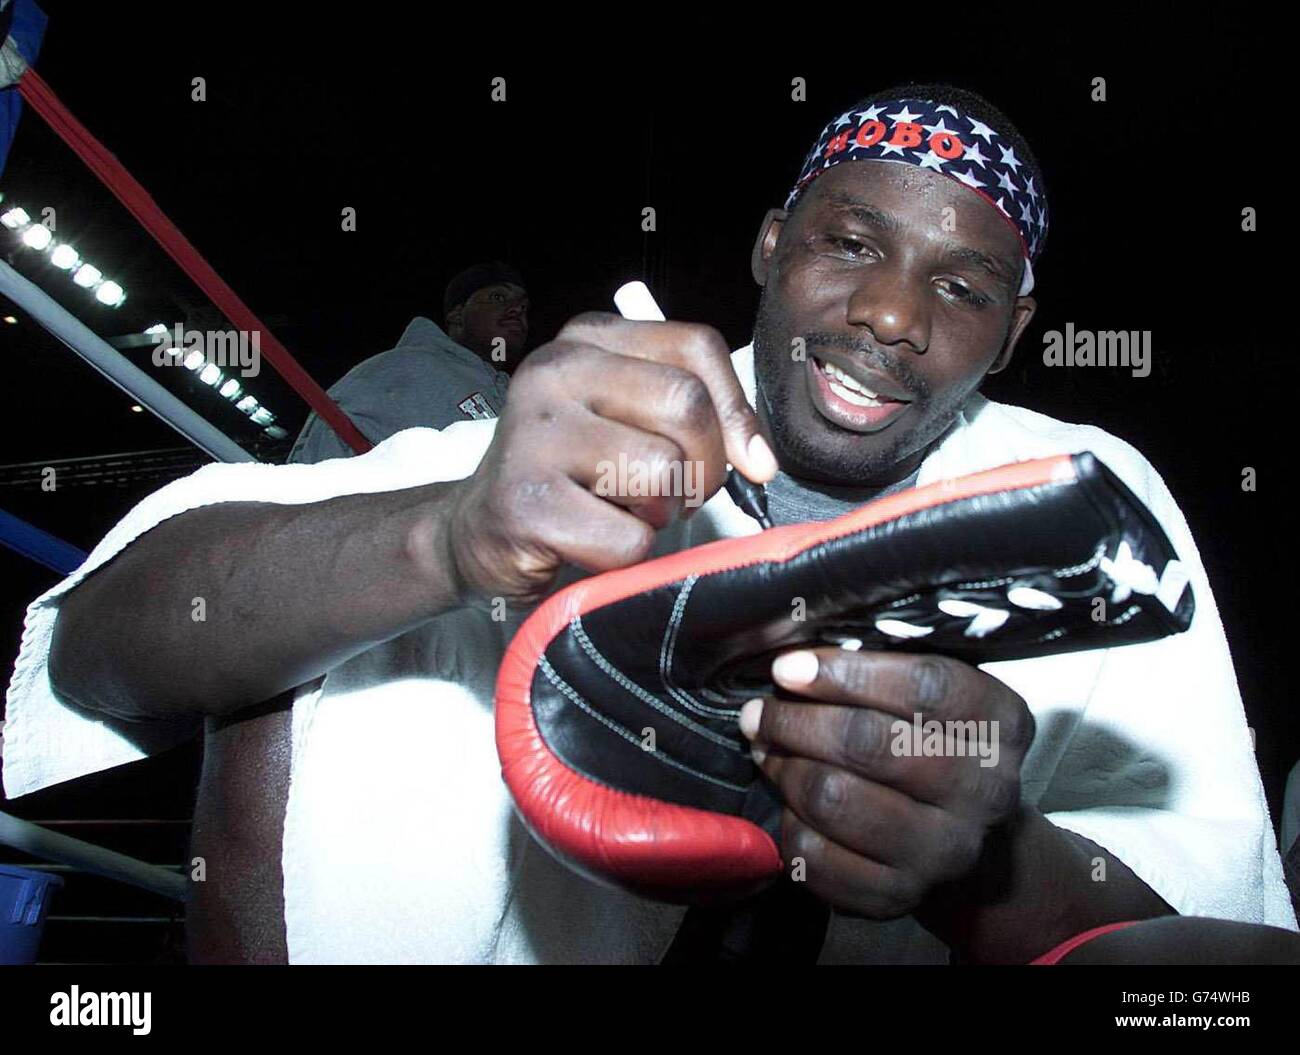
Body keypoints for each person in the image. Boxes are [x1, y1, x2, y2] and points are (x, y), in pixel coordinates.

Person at [6, 83, 1296, 964]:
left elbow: (1212, 965)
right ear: (772, 244)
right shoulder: (613, 421)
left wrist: (988, 859)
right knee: (304, 663)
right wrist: (450, 536)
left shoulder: (1067, 494)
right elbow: (102, 652)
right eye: (850, 244)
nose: (893, 317)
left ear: (1013, 331)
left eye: (960, 285)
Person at [288, 262, 528, 463]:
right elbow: (314, 460)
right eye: (498, 297)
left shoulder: (519, 399)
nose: (517, 309)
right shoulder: (402, 367)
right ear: (456, 315)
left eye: (524, 307)